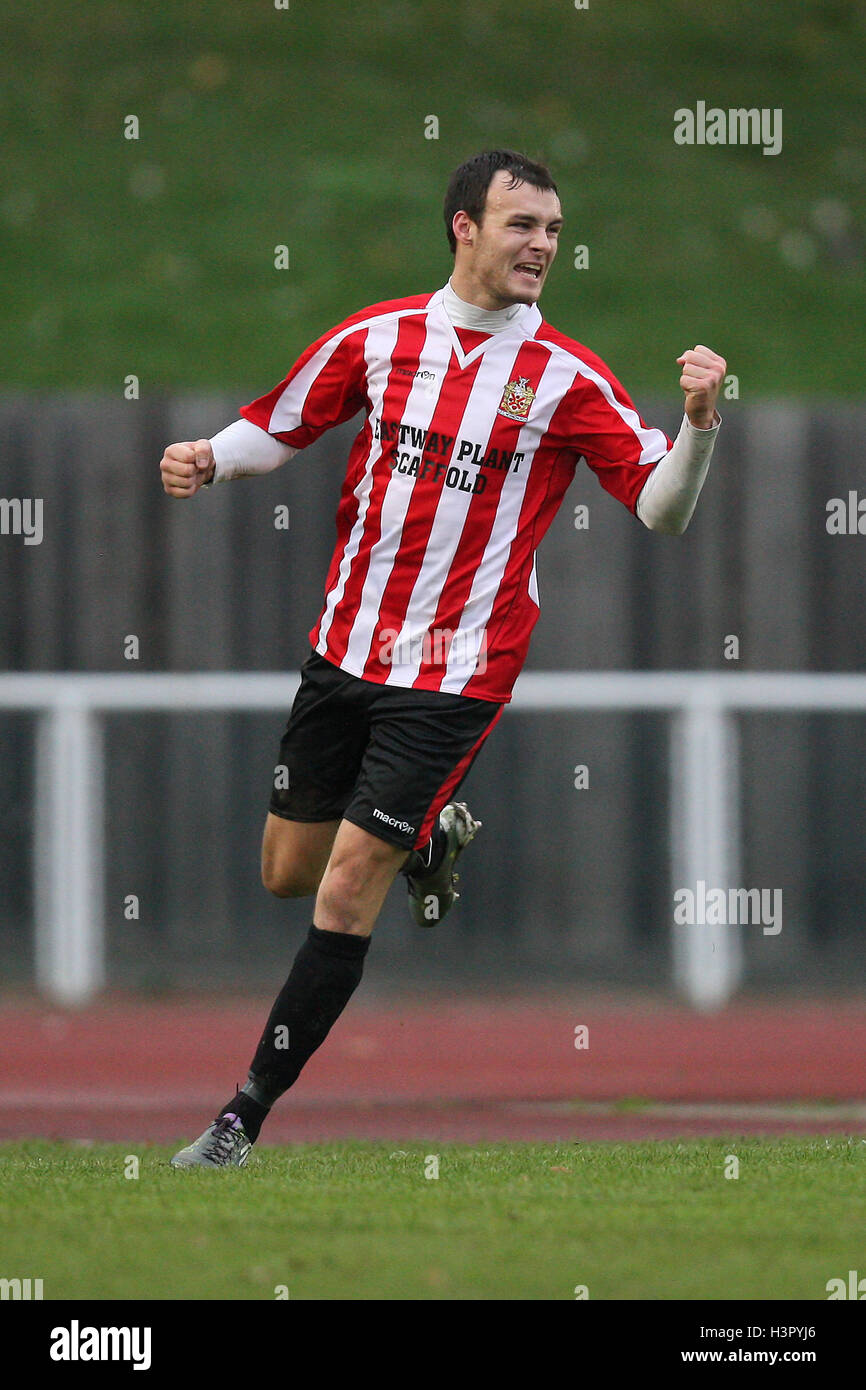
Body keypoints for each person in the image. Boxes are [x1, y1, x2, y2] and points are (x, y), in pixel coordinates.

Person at [160, 149, 725, 1168]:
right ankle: (429, 840)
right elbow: (278, 424)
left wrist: (695, 430)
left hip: (458, 670)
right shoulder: (379, 339)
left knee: (343, 888)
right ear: (463, 227)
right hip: (344, 649)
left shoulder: (564, 376)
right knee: (286, 872)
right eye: (521, 225)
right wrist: (209, 454)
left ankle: (241, 1116)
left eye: (551, 229)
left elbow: (659, 509)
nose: (541, 246)